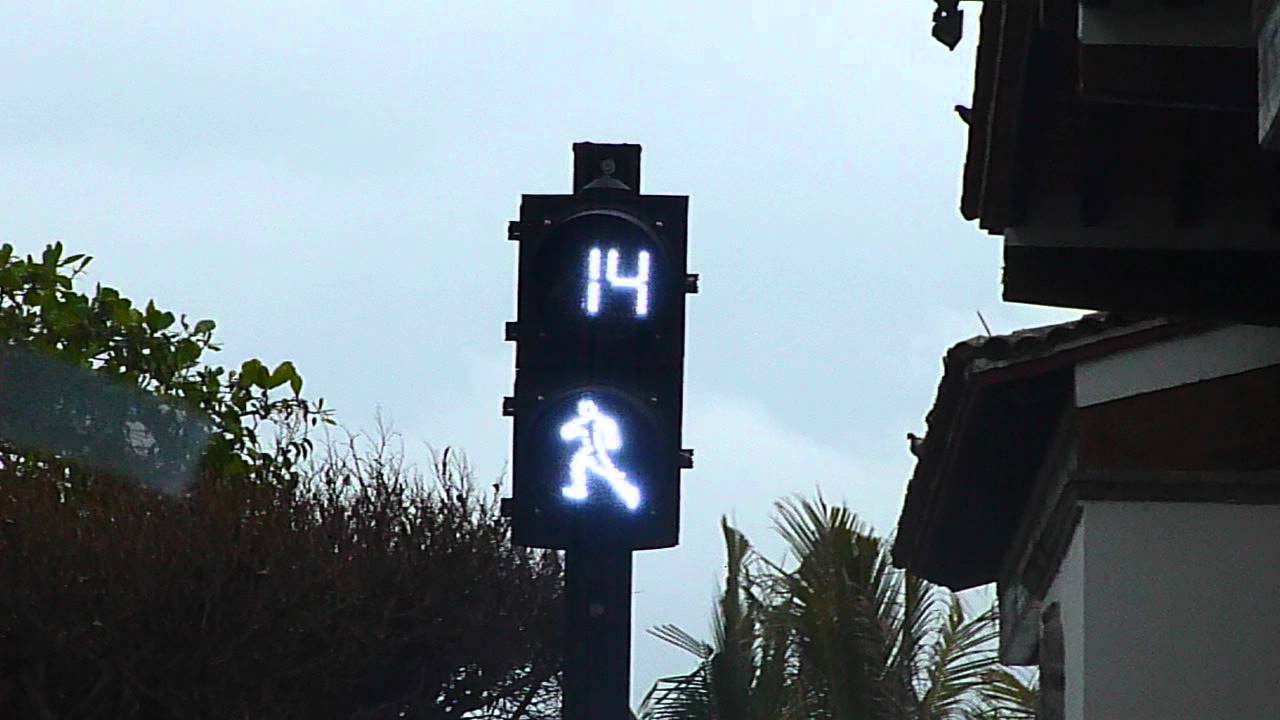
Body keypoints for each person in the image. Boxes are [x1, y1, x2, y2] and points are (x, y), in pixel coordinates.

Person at [559, 397, 641, 510]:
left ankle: (629, 492)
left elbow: (614, 443)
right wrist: (578, 424)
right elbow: (565, 434)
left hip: (602, 454)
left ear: (595, 408)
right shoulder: (580, 423)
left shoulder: (605, 422)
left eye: (589, 408)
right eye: (583, 409)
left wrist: (605, 448)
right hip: (588, 453)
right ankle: (579, 488)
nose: (586, 412)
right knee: (578, 463)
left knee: (609, 474)